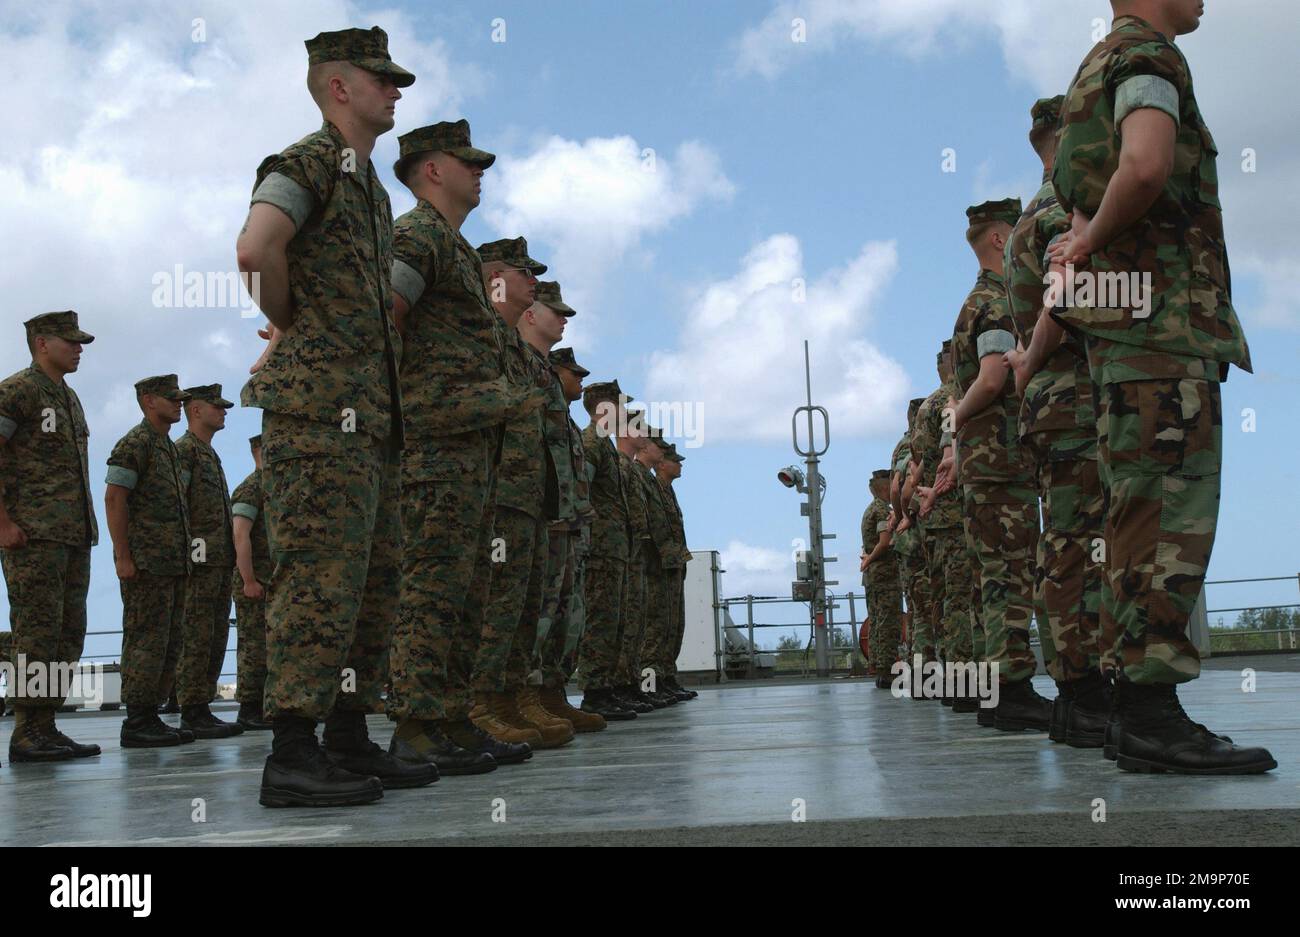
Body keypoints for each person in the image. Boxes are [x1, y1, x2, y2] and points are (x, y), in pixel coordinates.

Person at [1044, 0, 1274, 773]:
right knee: (1167, 519)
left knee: (1137, 514)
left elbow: (1103, 179)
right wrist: (1093, 237)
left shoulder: (1095, 66)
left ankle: (1130, 713)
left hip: (1130, 336)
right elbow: (1144, 165)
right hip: (1163, 331)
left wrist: (1085, 240)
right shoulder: (1150, 59)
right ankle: (1149, 715)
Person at [236, 26, 435, 806]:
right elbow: (256, 251)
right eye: (381, 78)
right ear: (337, 87)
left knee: (369, 581)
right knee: (317, 580)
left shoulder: (372, 189)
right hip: (318, 415)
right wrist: (298, 322)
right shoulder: (310, 161)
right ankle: (290, 751)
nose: (396, 90)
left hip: (370, 419)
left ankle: (347, 737)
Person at [384, 121, 535, 774]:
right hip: (431, 451)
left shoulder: (455, 248)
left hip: (468, 456)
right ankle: (416, 727)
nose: (481, 172)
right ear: (430, 170)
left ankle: (449, 721)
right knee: (430, 592)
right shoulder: (418, 235)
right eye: (467, 162)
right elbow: (385, 313)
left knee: (464, 595)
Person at [1001, 96, 1107, 746]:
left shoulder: (1020, 221)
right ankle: (1088, 691)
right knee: (1081, 545)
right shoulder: (1059, 208)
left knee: (1065, 544)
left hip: (1052, 406)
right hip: (1074, 396)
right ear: (1065, 135)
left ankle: (1078, 697)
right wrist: (1031, 361)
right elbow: (1063, 293)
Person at [948, 197, 1052, 731]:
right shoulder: (996, 302)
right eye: (1017, 234)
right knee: (1011, 575)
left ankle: (999, 690)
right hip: (1002, 459)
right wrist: (957, 421)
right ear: (998, 240)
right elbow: (992, 378)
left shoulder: (974, 302)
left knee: (994, 576)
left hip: (986, 464)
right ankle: (1011, 690)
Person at [470, 237, 574, 748]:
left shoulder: (522, 355)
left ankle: (515, 699)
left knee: (524, 608)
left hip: (528, 499)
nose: (532, 285)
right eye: (523, 273)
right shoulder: (482, 336)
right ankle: (481, 704)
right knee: (495, 607)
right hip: (495, 497)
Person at [0, 311, 100, 762]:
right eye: (70, 341)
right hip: (32, 535)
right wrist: (3, 523)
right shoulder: (18, 391)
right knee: (37, 633)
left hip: (72, 535)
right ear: (42, 343)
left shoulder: (70, 397)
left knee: (67, 634)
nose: (79, 348)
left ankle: (46, 725)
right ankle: (26, 731)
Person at [518, 296, 607, 732]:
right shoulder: (526, 367)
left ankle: (551, 693)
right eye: (558, 313)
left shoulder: (565, 414)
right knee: (535, 614)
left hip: (565, 523)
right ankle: (522, 697)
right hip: (541, 516)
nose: (565, 320)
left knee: (563, 618)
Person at [106, 375, 195, 749]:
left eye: (180, 399)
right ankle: (137, 720)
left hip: (172, 563)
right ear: (147, 401)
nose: (178, 404)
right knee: (146, 640)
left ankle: (152, 714)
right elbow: (114, 498)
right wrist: (123, 555)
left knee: (169, 640)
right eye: (170, 399)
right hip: (146, 563)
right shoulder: (135, 444)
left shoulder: (168, 448)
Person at [174, 384, 242, 739]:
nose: (224, 411)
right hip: (199, 564)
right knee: (197, 636)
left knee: (215, 636)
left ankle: (202, 705)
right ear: (196, 410)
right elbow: (178, 507)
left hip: (219, 562)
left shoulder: (208, 454)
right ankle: (192, 708)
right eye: (217, 407)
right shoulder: (184, 452)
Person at [576, 382, 637, 720]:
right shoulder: (591, 443)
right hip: (599, 548)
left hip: (614, 549)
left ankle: (608, 689)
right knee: (600, 620)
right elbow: (582, 493)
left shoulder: (605, 446)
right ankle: (595, 693)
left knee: (613, 621)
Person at [230, 434, 274, 730]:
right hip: (255, 581)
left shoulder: (269, 487)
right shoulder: (252, 487)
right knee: (253, 646)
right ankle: (249, 708)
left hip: (269, 580)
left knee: (267, 646)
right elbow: (240, 535)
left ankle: (265, 705)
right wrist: (249, 580)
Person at [860, 470, 902, 688]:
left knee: (877, 620)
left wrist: (868, 559)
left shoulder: (870, 510)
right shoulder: (881, 511)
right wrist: (870, 559)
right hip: (885, 574)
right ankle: (886, 671)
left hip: (874, 575)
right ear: (886, 488)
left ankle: (879, 667)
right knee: (888, 621)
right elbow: (885, 542)